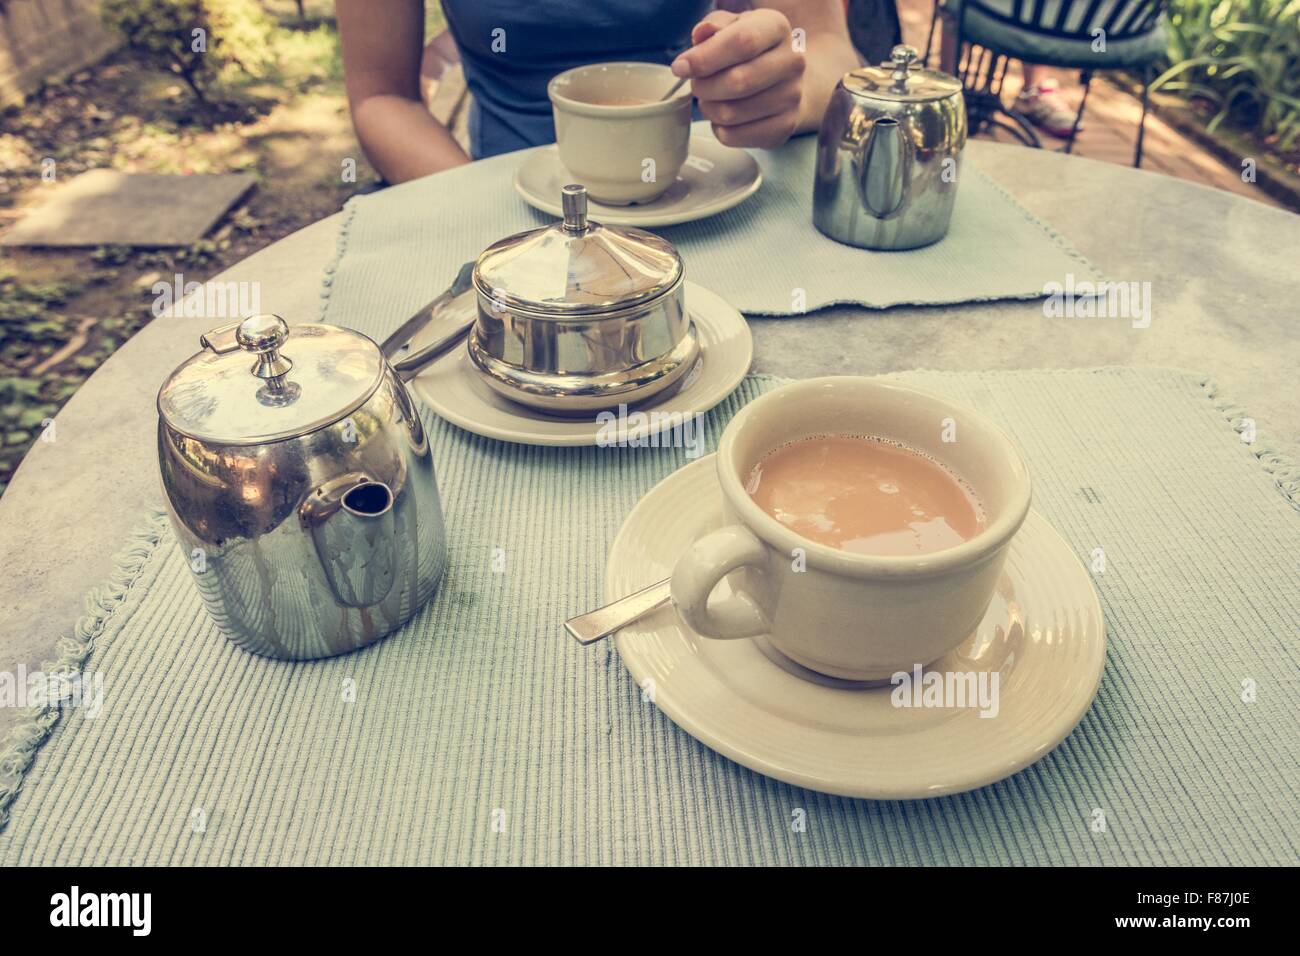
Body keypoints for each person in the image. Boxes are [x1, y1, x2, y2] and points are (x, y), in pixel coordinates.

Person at [337, 1, 863, 184]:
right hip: (501, 197)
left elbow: (827, 49)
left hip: (703, 185)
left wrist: (786, 95)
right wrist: (481, 213)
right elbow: (383, 98)